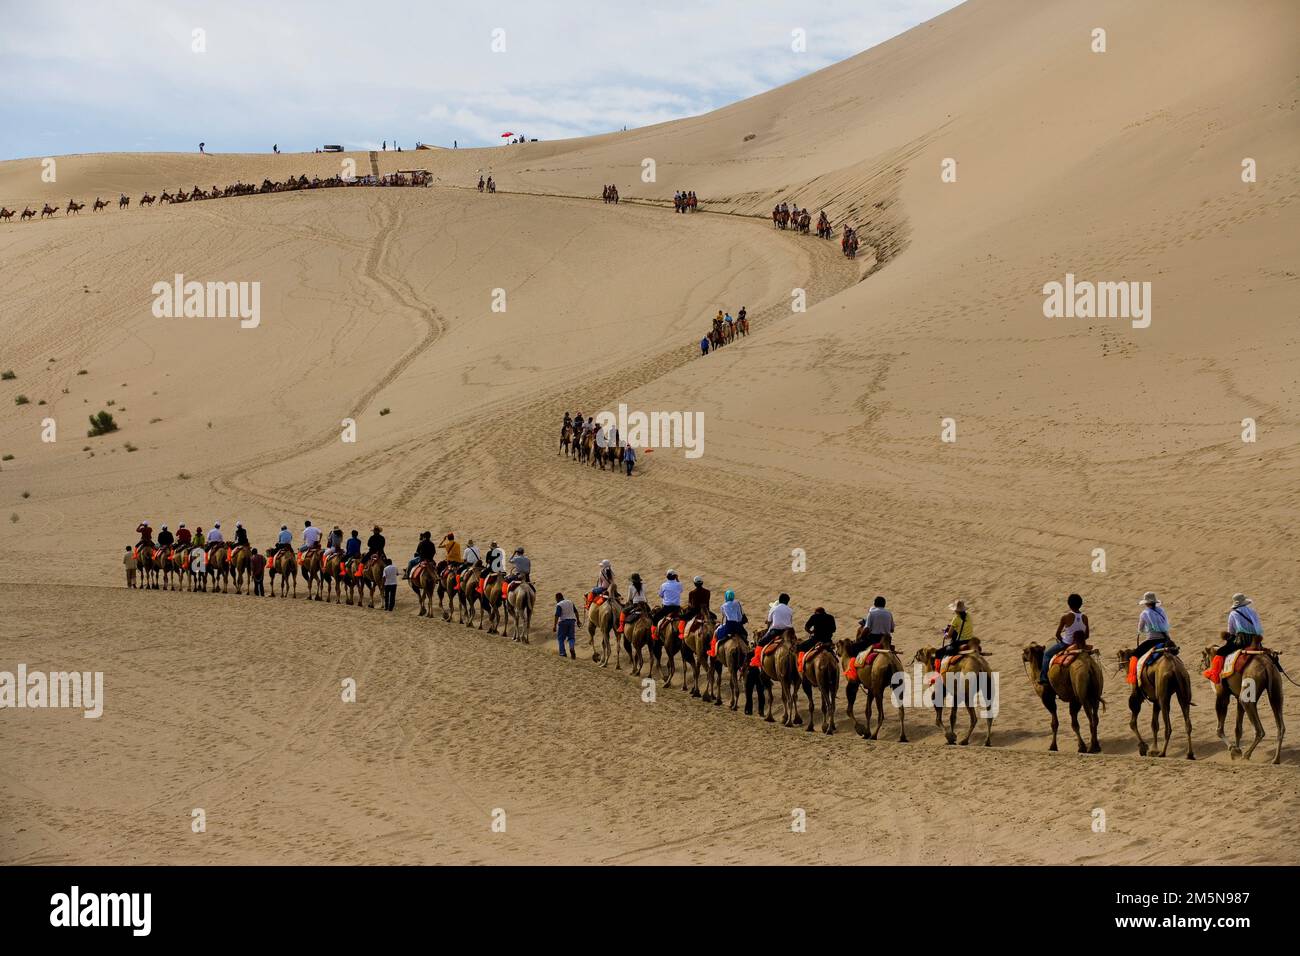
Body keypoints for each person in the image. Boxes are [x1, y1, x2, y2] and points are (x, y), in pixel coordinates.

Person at [1204, 593, 1263, 683]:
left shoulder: (1233, 614)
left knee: (1220, 652)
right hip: (1255, 640)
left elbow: (1231, 631)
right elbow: (1258, 627)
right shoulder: (1252, 612)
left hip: (1242, 641)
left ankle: (1215, 675)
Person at [1041, 593, 1089, 683]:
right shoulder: (1085, 617)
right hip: (1080, 645)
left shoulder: (1065, 617)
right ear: (1081, 604)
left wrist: (1064, 640)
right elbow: (1087, 636)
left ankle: (1044, 678)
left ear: (1069, 604)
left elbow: (1057, 635)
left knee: (1047, 654)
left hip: (1066, 643)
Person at [554, 592, 578, 658]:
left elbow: (557, 615)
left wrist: (554, 625)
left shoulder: (559, 604)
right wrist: (578, 620)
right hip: (572, 622)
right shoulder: (570, 602)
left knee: (561, 638)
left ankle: (562, 653)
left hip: (563, 622)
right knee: (571, 638)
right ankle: (571, 648)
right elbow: (576, 611)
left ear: (557, 598)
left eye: (556, 599)